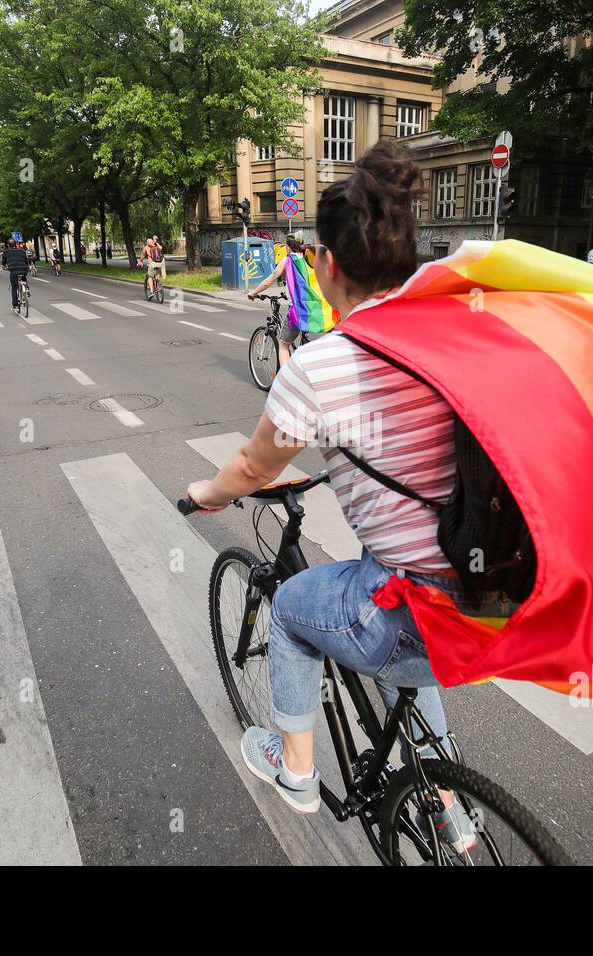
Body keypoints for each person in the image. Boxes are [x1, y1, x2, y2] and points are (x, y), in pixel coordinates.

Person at [183, 140, 476, 849]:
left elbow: (254, 467)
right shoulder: (452, 334)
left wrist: (207, 495)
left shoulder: (322, 367)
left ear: (327, 265)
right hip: (483, 594)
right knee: (411, 646)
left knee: (289, 607)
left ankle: (296, 771)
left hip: (407, 596)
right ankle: (448, 801)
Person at [246, 231, 334, 371]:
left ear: (288, 247)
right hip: (320, 309)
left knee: (283, 344)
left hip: (299, 311)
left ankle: (286, 381)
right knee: (305, 340)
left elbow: (269, 280)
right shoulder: (313, 260)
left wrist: (253, 293)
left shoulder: (288, 260)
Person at [1, 239, 30, 313]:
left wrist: (4, 266)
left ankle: (16, 305)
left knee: (14, 287)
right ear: (16, 244)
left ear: (8, 245)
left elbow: (4, 261)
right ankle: (26, 288)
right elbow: (26, 261)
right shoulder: (22, 251)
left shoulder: (6, 252)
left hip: (13, 270)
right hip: (23, 270)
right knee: (23, 276)